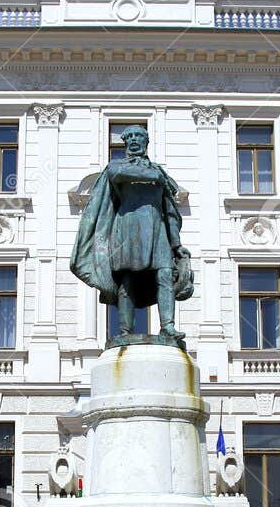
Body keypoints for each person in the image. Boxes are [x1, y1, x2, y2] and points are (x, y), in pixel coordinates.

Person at [69, 124, 193, 345]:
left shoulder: (159, 173)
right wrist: (155, 176)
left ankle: (168, 328)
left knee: (165, 275)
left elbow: (170, 211)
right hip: (126, 228)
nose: (134, 140)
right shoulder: (117, 167)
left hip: (157, 229)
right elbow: (118, 174)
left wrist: (176, 244)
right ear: (124, 143)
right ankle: (125, 332)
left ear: (146, 141)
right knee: (127, 282)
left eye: (139, 136)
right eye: (130, 137)